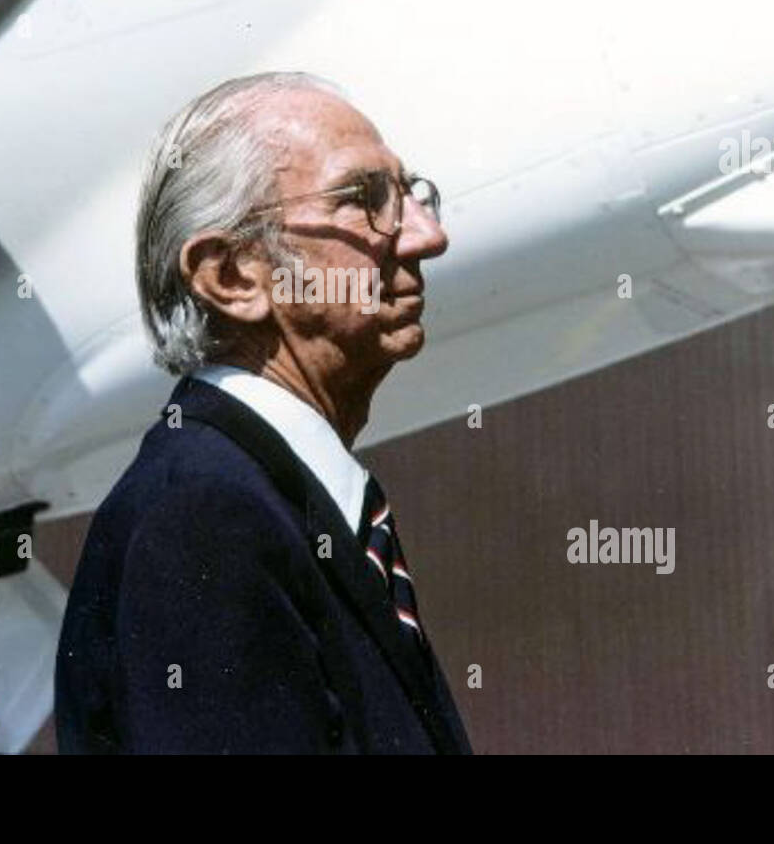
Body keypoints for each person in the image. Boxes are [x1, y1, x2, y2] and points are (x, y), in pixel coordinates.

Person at [55, 71, 471, 753]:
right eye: (365, 200)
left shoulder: (263, 500)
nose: (427, 235)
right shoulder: (205, 521)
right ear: (232, 276)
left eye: (410, 192)